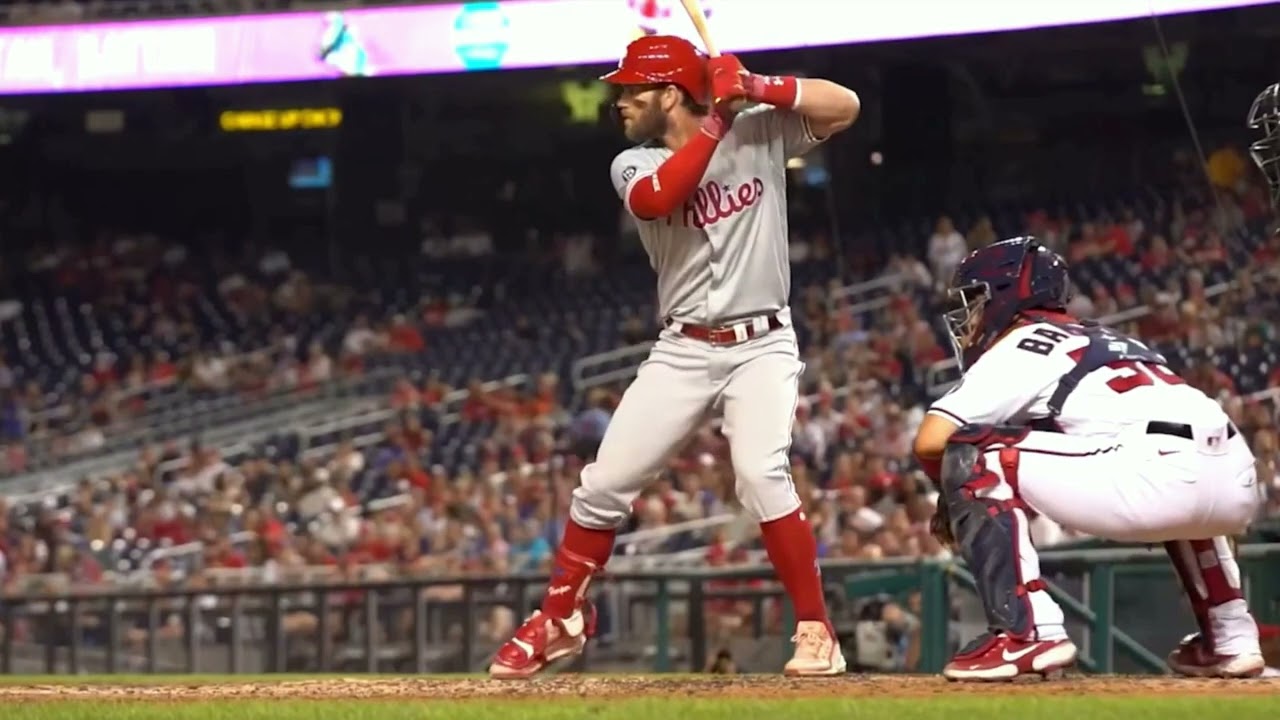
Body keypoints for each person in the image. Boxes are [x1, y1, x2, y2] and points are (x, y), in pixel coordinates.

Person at [487, 34, 860, 679]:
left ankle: (816, 629)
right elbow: (657, 199)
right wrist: (718, 120)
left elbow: (845, 106)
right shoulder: (633, 162)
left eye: (633, 90)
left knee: (760, 474)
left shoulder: (759, 130)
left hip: (762, 344)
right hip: (682, 346)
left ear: (669, 93)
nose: (621, 102)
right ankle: (561, 617)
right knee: (602, 485)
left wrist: (760, 87)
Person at [912, 236, 1264, 682]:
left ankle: (1027, 633)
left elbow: (931, 440)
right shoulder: (1111, 337)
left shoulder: (1026, 341)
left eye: (976, 299)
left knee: (976, 450)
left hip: (1151, 476)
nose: (970, 316)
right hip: (1235, 474)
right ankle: (1231, 637)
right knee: (1187, 462)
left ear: (1005, 296)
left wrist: (952, 496)